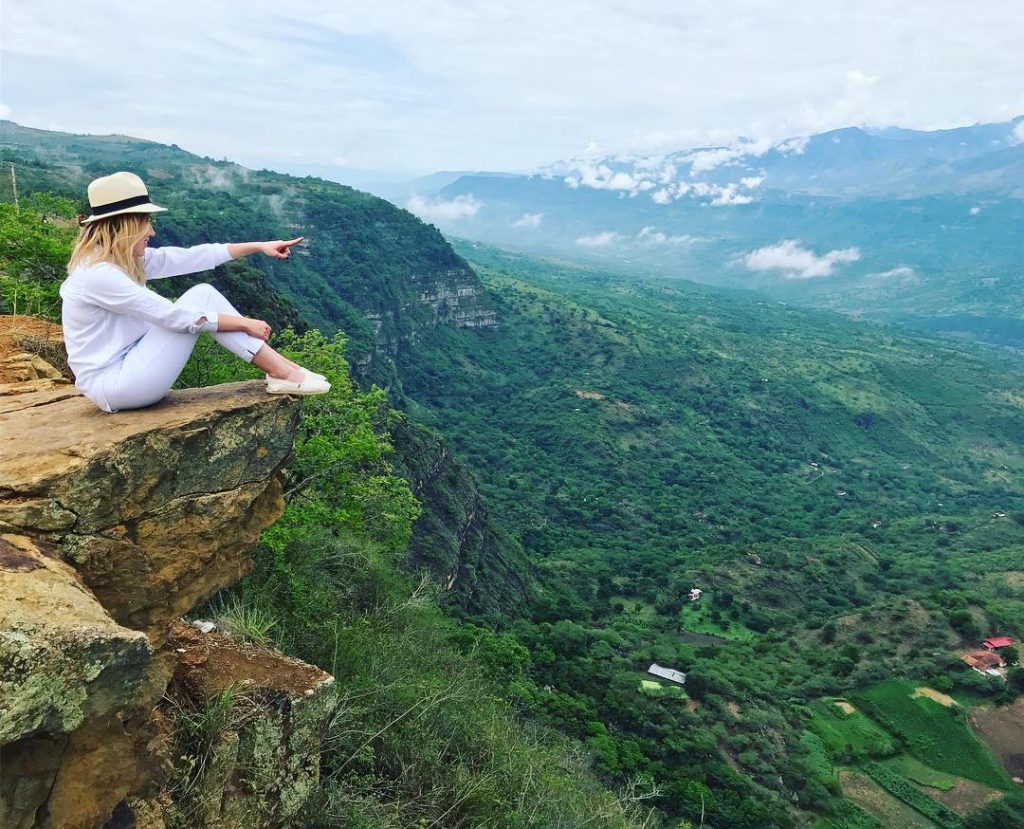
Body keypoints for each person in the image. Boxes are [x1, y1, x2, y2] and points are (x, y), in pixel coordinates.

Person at [60, 171, 330, 413]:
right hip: (116, 384)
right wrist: (243, 323)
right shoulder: (99, 275)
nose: (152, 232)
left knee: (203, 293)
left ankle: (285, 369)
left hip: (128, 369)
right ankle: (282, 371)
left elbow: (193, 257)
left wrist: (259, 245)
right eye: (147, 223)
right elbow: (175, 317)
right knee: (200, 298)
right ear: (126, 225)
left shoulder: (116, 261)